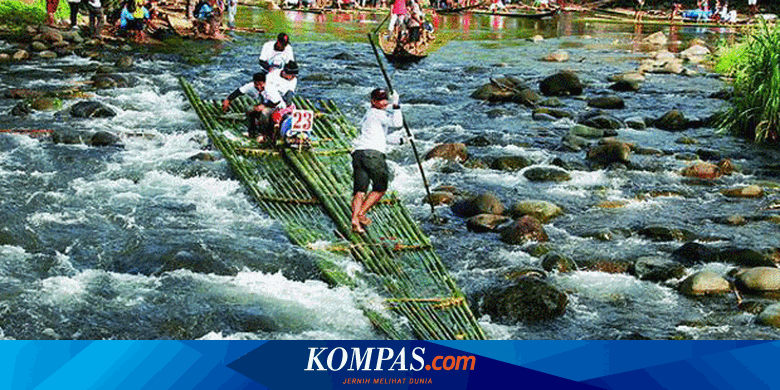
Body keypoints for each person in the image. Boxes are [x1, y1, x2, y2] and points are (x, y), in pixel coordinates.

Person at [350, 88, 404, 234]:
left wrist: (401, 140)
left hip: (359, 154)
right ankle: (361, 214)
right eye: (381, 100)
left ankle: (355, 220)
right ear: (373, 101)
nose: (384, 102)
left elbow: (382, 136)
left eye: (385, 99)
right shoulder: (379, 114)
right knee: (380, 188)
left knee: (360, 191)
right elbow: (398, 123)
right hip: (373, 155)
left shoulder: (370, 114)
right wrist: (397, 104)